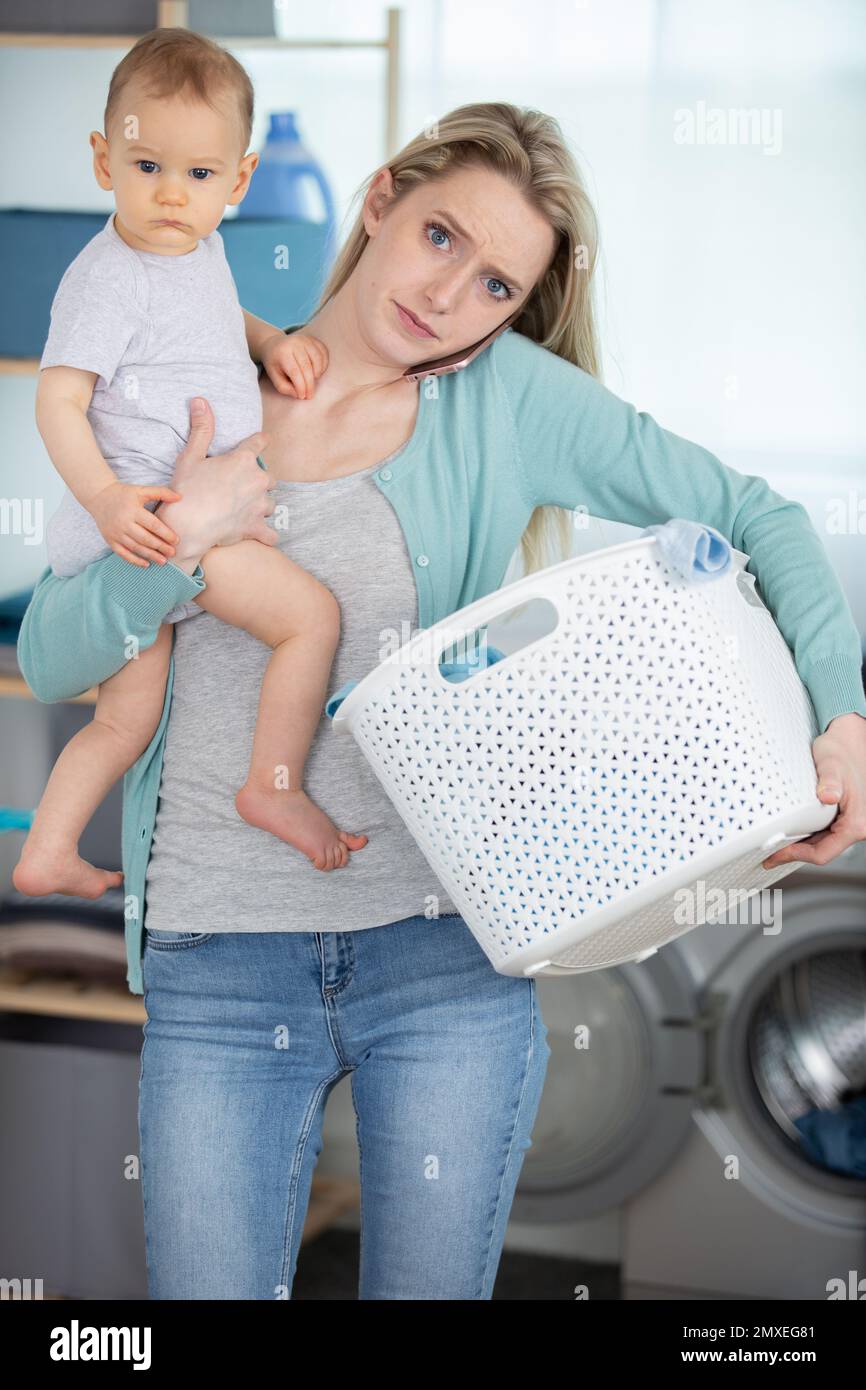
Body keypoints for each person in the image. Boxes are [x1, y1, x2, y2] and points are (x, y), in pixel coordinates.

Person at [17, 93, 866, 1299]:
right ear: (381, 203)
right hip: (218, 960)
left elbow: (758, 516)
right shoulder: (188, 373)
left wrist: (841, 717)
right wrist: (179, 543)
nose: (447, 293)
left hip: (439, 960)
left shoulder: (504, 400)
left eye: (495, 285)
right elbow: (53, 657)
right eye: (438, 236)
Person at [13, 27, 368, 905]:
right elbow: (57, 401)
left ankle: (47, 850)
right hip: (159, 521)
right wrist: (107, 500)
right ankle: (273, 786)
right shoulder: (109, 277)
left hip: (167, 522)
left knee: (126, 720)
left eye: (199, 174)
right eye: (147, 167)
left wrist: (270, 341)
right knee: (312, 618)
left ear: (238, 181)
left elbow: (214, 314)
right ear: (105, 161)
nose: (172, 193)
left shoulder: (195, 247)